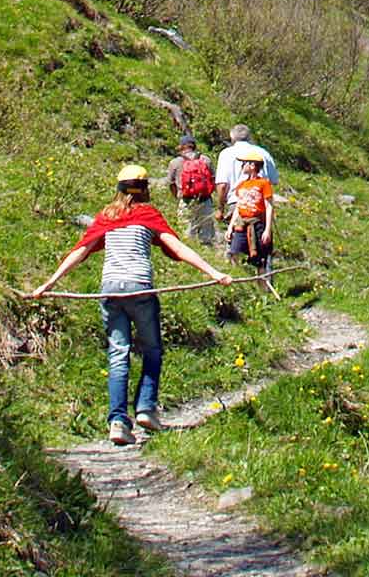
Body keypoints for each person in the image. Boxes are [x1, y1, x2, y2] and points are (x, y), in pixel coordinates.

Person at [28, 163, 230, 445]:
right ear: (144, 189)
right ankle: (146, 408)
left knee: (118, 353)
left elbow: (81, 251)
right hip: (140, 288)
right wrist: (213, 273)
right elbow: (177, 247)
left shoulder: (107, 216)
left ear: (119, 188)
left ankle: (118, 422)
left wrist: (48, 284)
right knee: (152, 349)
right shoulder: (148, 214)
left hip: (111, 291)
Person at [213, 124, 276, 230]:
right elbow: (273, 180)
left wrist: (220, 208)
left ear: (232, 136)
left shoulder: (226, 154)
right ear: (249, 136)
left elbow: (222, 185)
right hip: (261, 206)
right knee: (260, 236)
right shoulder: (263, 153)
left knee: (237, 236)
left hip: (238, 203)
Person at [223, 151, 275, 274]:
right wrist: (230, 227)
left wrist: (267, 229)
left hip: (258, 224)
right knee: (234, 252)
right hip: (242, 223)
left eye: (244, 163)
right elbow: (238, 206)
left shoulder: (264, 183)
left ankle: (262, 282)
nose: (242, 166)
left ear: (252, 166)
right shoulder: (242, 185)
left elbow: (269, 206)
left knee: (260, 259)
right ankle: (239, 275)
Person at [165, 134, 218, 248]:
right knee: (207, 236)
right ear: (194, 146)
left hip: (186, 200)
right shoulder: (206, 160)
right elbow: (214, 180)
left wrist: (177, 196)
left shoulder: (175, 162)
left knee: (186, 235)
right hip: (205, 200)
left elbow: (170, 183)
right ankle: (207, 254)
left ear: (181, 146)